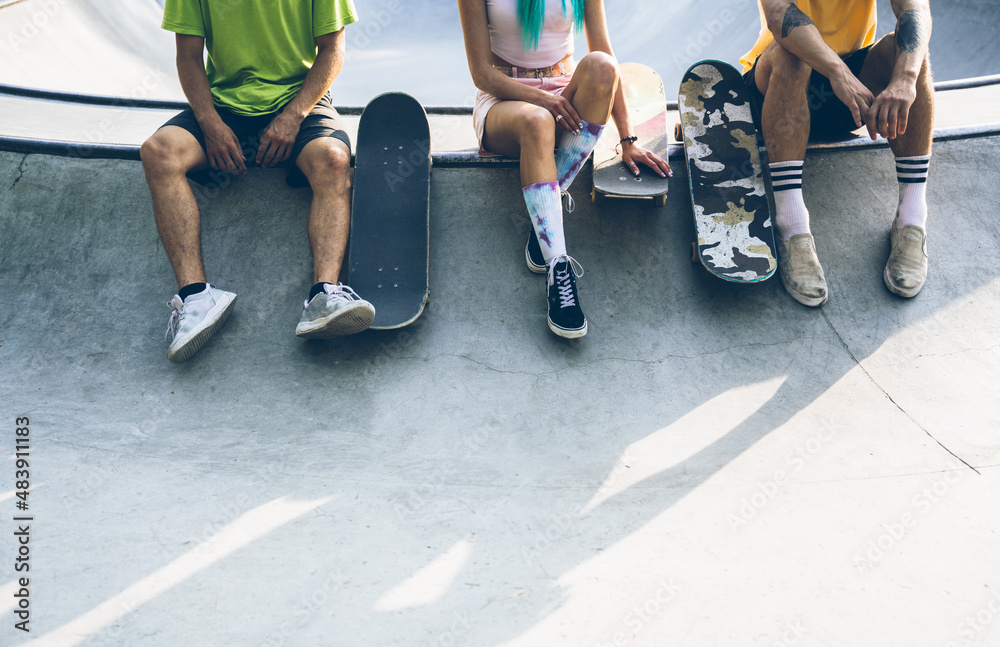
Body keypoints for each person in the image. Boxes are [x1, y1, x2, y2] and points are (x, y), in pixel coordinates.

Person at [141, 0, 374, 363]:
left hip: (299, 103)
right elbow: (188, 56)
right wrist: (209, 121)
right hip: (222, 107)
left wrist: (294, 116)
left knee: (333, 159)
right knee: (158, 152)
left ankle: (323, 295)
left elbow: (332, 49)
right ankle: (196, 297)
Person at [458, 0, 672, 338]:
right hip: (504, 101)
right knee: (537, 121)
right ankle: (558, 271)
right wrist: (543, 101)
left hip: (563, 92)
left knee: (601, 66)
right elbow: (482, 73)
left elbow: (607, 57)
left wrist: (627, 137)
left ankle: (543, 223)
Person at [741, 0, 934, 306]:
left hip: (852, 93)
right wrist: (838, 74)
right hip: (775, 90)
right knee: (791, 54)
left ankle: (912, 219)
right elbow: (779, 15)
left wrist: (906, 80)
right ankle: (791, 226)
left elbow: (915, 9)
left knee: (909, 54)